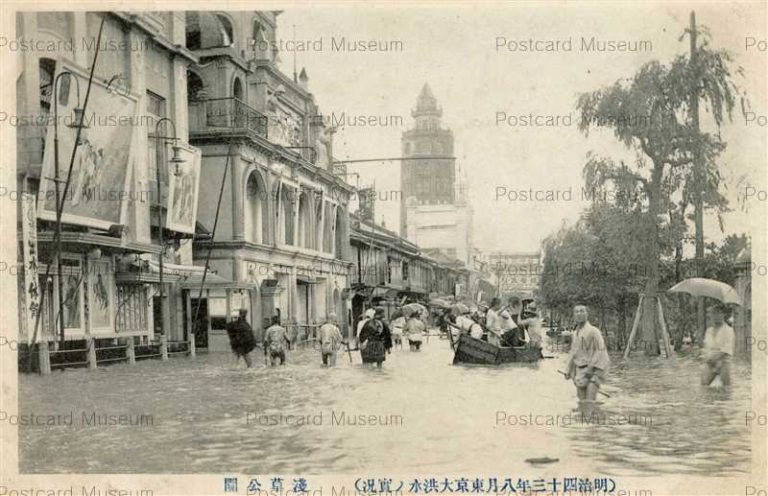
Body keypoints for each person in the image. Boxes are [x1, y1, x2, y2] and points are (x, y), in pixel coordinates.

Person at [564, 305, 610, 402]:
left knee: (589, 402)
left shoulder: (594, 331)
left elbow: (600, 350)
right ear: (573, 315)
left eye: (582, 311)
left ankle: (592, 413)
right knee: (582, 401)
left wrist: (591, 368)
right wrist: (568, 368)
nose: (579, 314)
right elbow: (573, 352)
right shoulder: (575, 333)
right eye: (576, 312)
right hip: (580, 370)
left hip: (594, 370)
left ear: (587, 314)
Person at [700, 302, 735, 387]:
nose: (715, 315)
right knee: (704, 386)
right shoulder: (709, 330)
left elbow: (726, 349)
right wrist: (704, 355)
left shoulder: (729, 330)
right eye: (713, 313)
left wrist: (714, 358)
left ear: (723, 314)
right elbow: (706, 347)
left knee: (726, 389)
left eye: (718, 313)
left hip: (723, 362)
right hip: (710, 362)